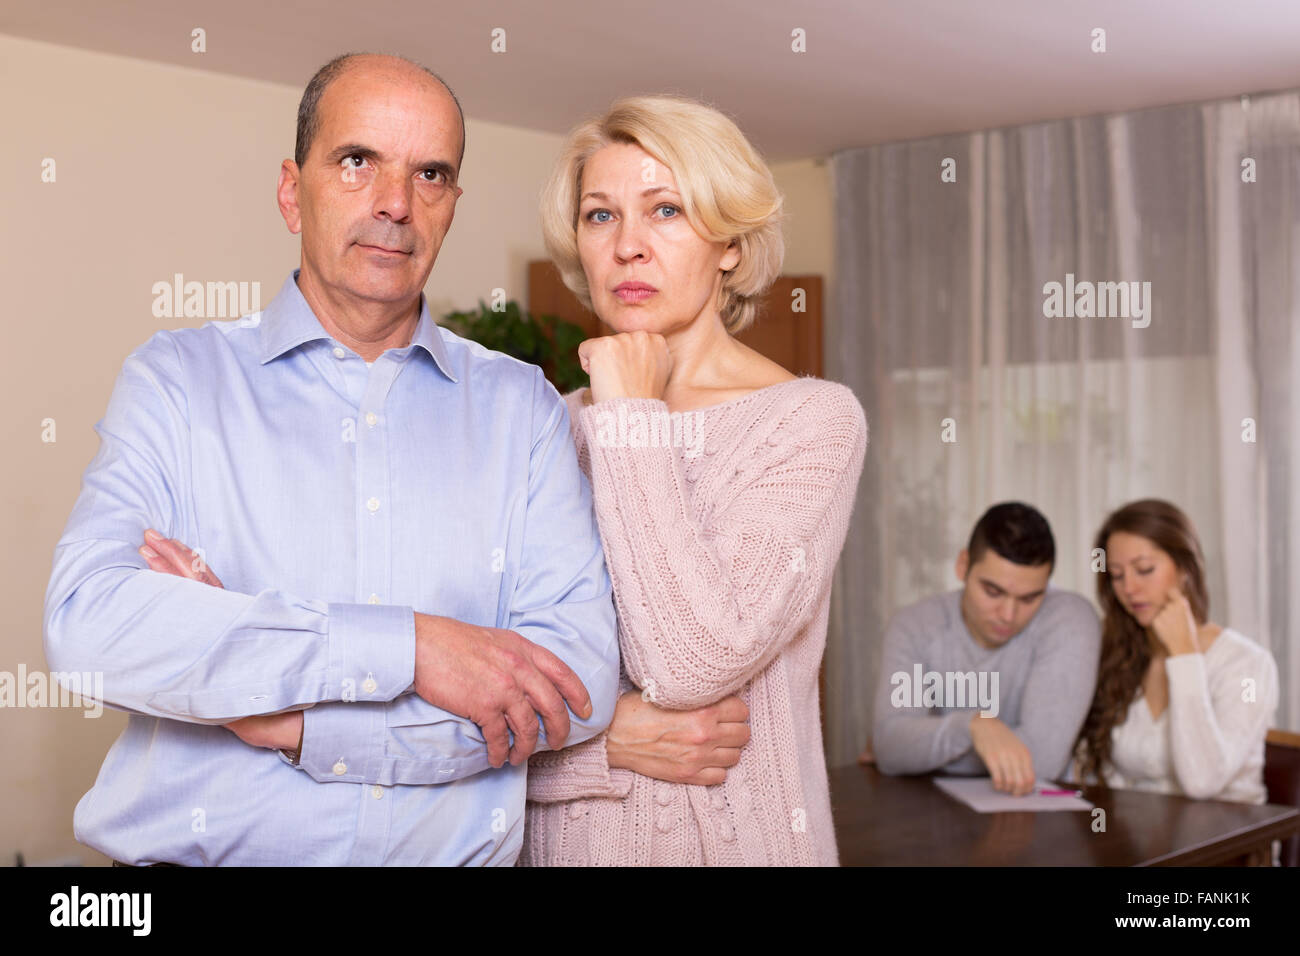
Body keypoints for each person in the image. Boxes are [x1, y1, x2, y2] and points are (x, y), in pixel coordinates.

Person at [42, 52, 620, 866]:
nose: (395, 204)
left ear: (452, 205)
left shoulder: (521, 406)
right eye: (358, 162)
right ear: (291, 190)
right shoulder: (177, 379)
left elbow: (573, 682)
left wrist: (296, 723)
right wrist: (417, 649)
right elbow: (91, 623)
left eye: (430, 175)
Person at [517, 95, 868, 866]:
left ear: (731, 245)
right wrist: (600, 743)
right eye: (601, 216)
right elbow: (474, 702)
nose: (628, 247)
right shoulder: (542, 427)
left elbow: (693, 659)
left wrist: (634, 415)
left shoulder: (812, 422)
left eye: (666, 210)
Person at [869, 502, 1101, 795]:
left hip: (1039, 820)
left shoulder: (1070, 620)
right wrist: (974, 727)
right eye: (993, 592)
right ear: (963, 565)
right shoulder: (915, 626)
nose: (1008, 614)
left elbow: (1042, 762)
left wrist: (925, 747)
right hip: (936, 817)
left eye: (1029, 598)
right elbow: (891, 749)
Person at [1071, 499, 1278, 804]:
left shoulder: (1247, 665)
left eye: (1144, 569)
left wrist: (1184, 656)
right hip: (1139, 844)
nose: (1129, 588)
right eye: (1116, 574)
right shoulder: (1119, 655)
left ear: (1184, 568)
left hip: (1225, 844)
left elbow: (1203, 781)